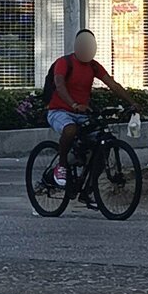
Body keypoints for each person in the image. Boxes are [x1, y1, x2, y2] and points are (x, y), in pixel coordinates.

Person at [46, 29, 140, 187]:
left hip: (83, 113)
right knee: (70, 129)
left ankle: (89, 187)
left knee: (103, 145)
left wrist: (132, 102)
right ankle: (61, 166)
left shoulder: (94, 66)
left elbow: (112, 85)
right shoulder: (64, 63)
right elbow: (60, 85)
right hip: (60, 111)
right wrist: (74, 105)